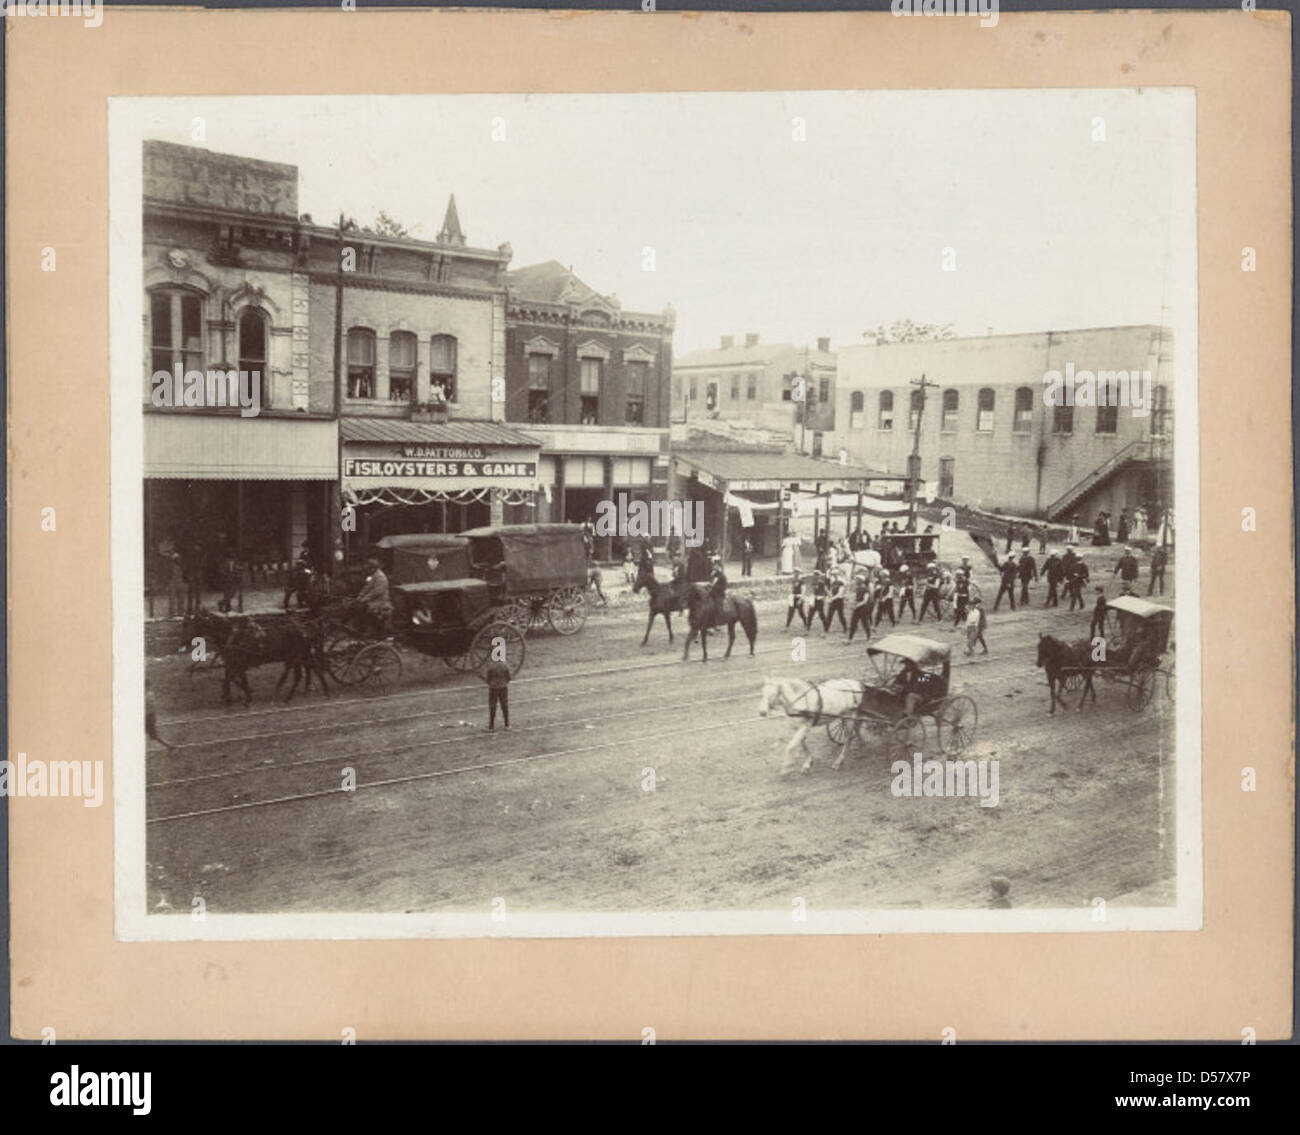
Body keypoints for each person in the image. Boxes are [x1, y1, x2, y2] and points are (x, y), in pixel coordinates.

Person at [356, 556, 393, 636]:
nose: (367, 570)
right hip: (374, 600)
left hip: (381, 602)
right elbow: (367, 587)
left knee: (367, 609)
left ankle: (370, 631)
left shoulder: (380, 577)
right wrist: (359, 597)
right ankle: (361, 629)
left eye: (369, 568)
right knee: (357, 606)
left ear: (373, 568)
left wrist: (364, 599)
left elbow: (376, 592)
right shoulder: (373, 576)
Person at [484, 655, 512, 731]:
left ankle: (491, 726)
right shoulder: (504, 665)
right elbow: (509, 677)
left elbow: (488, 678)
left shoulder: (491, 666)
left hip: (493, 687)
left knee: (492, 706)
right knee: (504, 705)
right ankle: (507, 725)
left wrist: (491, 683)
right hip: (503, 687)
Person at [847, 572, 873, 642]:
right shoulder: (857, 589)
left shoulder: (865, 589)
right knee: (853, 623)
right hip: (857, 607)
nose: (856, 581)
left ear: (861, 581)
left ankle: (869, 637)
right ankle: (850, 638)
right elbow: (855, 598)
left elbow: (865, 601)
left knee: (865, 623)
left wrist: (856, 605)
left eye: (857, 580)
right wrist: (852, 603)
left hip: (863, 608)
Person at [823, 569, 848, 633]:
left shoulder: (841, 582)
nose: (833, 576)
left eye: (835, 574)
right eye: (833, 575)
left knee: (841, 615)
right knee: (829, 615)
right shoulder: (833, 582)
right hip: (833, 600)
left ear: (837, 574)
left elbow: (840, 593)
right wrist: (829, 595)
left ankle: (845, 628)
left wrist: (832, 599)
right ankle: (826, 629)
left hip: (839, 600)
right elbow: (831, 591)